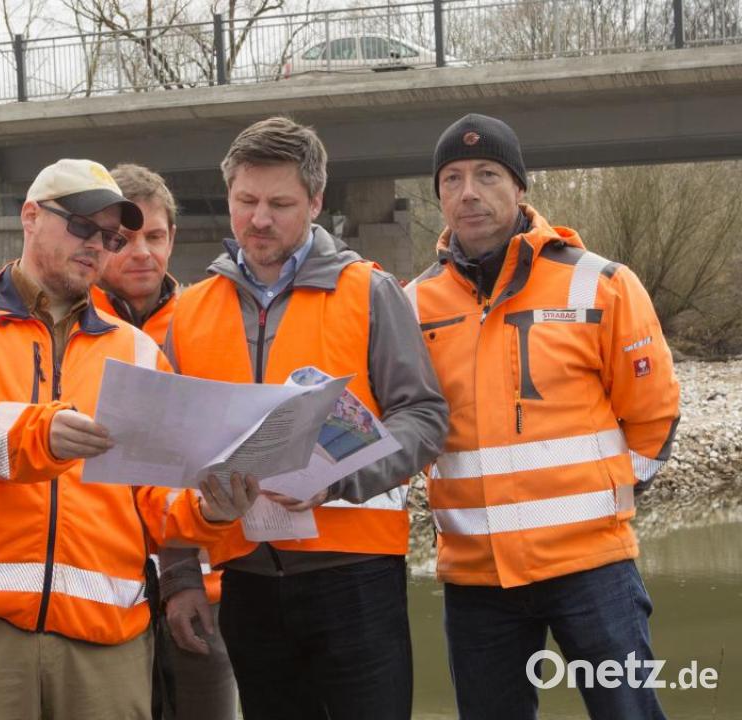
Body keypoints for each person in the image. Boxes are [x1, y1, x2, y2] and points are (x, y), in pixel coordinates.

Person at [0, 158, 260, 720]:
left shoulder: (137, 351)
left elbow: (154, 504)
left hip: (106, 638)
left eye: (110, 236)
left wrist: (209, 512)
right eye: (83, 227)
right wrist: (37, 433)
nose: (99, 246)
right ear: (31, 216)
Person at [159, 116, 449, 719]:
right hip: (248, 582)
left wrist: (338, 476)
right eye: (246, 200)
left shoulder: (369, 291)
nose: (259, 219)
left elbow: (423, 416)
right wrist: (182, 574)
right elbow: (169, 457)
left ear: (316, 201)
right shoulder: (188, 312)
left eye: (280, 203)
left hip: (357, 577)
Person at [408, 113, 681, 719]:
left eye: (487, 174)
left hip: (593, 569)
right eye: (451, 179)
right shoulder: (412, 304)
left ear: (520, 188)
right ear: (439, 196)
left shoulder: (601, 283)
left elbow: (653, 413)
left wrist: (606, 491)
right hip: (477, 579)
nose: (469, 192)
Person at [90, 163, 237, 720]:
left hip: (204, 585)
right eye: (122, 240)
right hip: (104, 585)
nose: (141, 252)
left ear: (173, 238)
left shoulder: (207, 322)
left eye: (155, 236)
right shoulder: (72, 330)